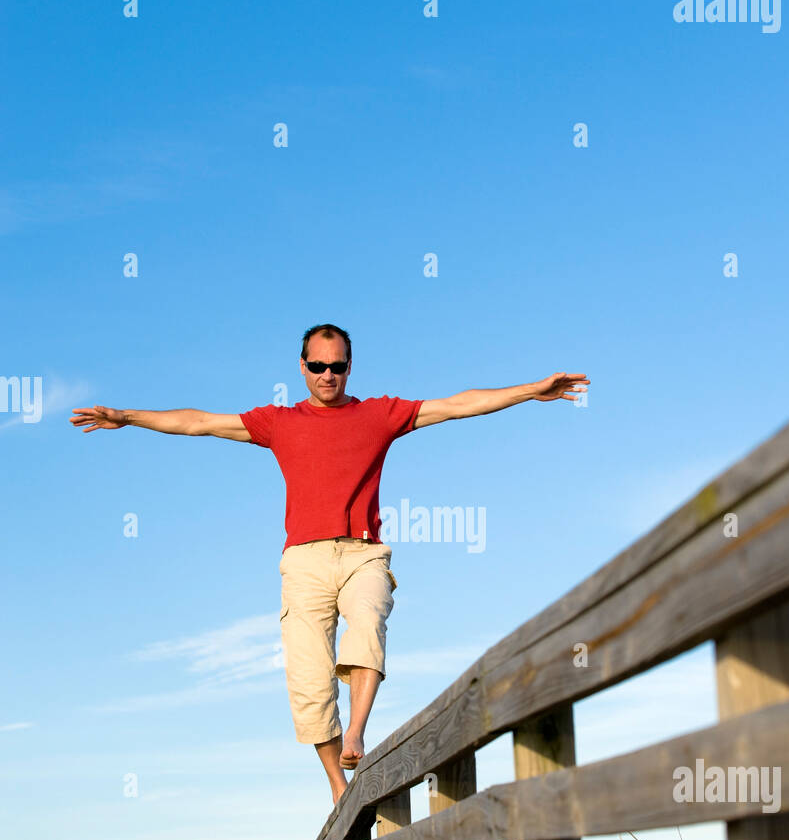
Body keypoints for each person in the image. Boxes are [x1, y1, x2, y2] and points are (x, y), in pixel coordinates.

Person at [70, 323, 588, 802]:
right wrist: (126, 417)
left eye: (337, 367)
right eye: (317, 367)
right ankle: (339, 786)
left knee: (367, 618)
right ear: (302, 367)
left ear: (349, 367)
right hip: (303, 561)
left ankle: (357, 731)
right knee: (309, 677)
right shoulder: (280, 422)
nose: (327, 376)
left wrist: (528, 391)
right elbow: (199, 422)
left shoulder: (377, 415)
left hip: (363, 553)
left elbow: (455, 405)